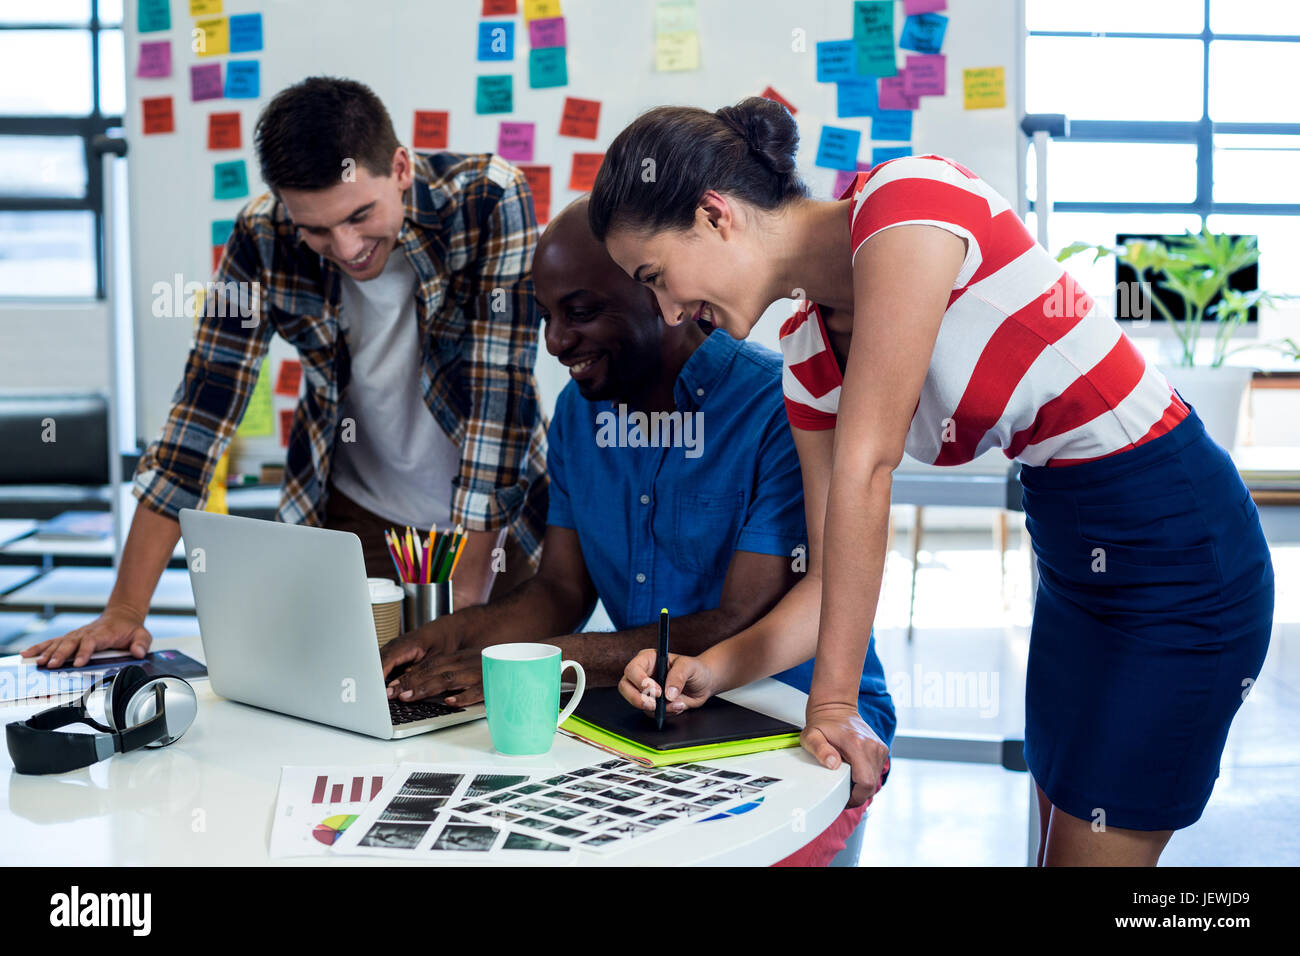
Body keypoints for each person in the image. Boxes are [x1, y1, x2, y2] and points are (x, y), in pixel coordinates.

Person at [586, 97, 1275, 866]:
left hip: (1175, 540)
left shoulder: (908, 207)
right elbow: (827, 577)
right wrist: (710, 668)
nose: (669, 311)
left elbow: (868, 466)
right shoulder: (809, 354)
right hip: (1073, 559)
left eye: (656, 276)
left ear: (716, 215)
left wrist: (837, 706)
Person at [380, 196, 895, 866]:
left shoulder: (775, 406)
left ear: (663, 292)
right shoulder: (576, 414)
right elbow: (562, 588)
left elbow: (739, 618)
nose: (556, 342)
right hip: (649, 718)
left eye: (583, 310)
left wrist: (550, 669)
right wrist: (452, 632)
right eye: (546, 316)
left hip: (792, 717)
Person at [23, 77, 548, 669]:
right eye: (317, 229)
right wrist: (125, 611)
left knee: (473, 698)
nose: (347, 247)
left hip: (492, 529)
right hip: (359, 518)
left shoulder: (487, 200)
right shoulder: (262, 235)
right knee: (351, 700)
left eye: (359, 215)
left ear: (400, 168)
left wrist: (459, 612)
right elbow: (199, 420)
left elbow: (497, 416)